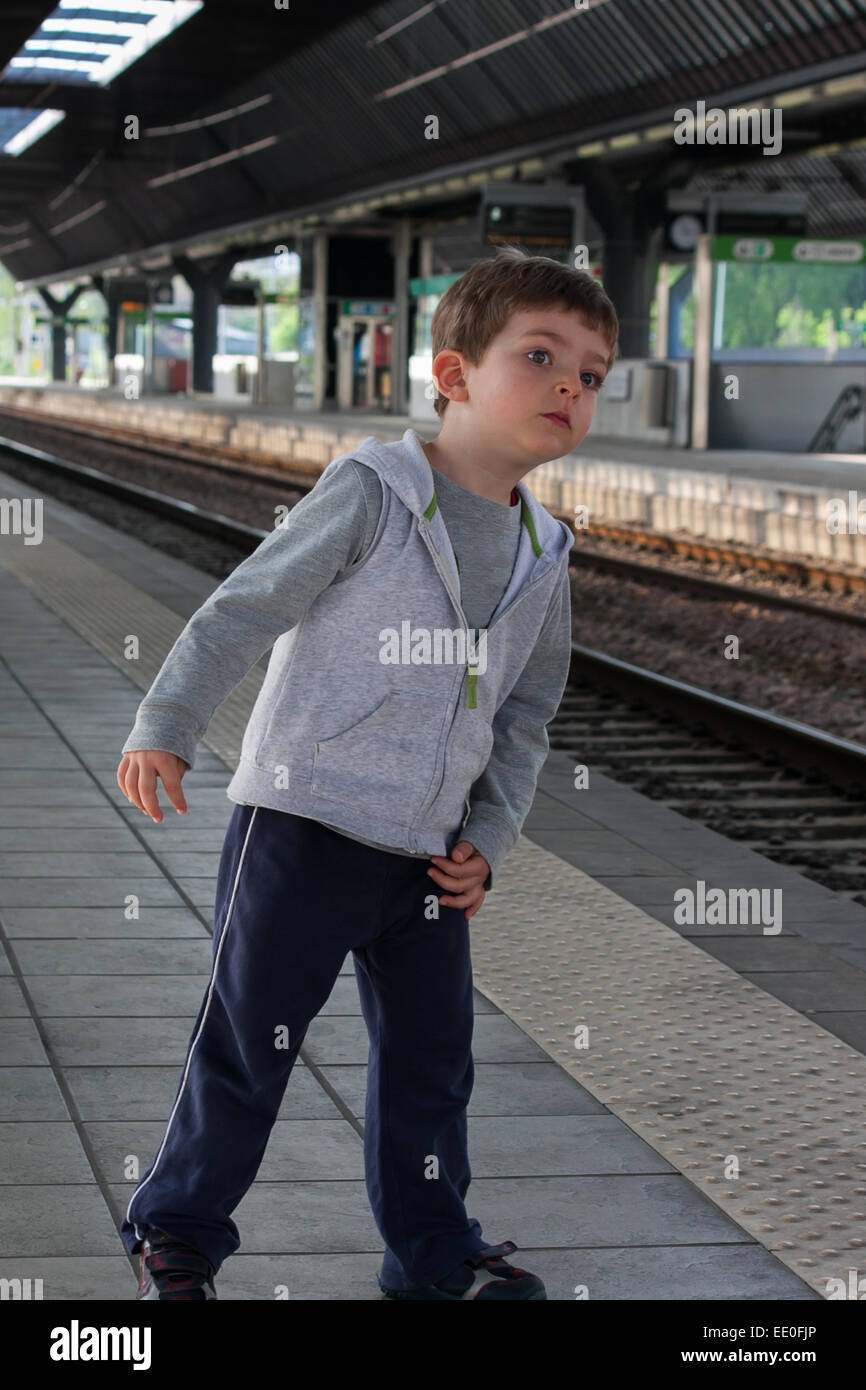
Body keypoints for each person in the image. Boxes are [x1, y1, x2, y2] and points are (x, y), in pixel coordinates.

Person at [116, 244, 619, 1301]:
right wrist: (166, 721)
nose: (569, 386)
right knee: (250, 1042)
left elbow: (527, 710)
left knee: (432, 1070)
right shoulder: (374, 492)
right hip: (304, 823)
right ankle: (178, 1229)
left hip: (430, 854)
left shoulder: (545, 550)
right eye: (540, 357)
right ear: (452, 377)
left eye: (590, 373)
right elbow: (242, 608)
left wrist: (492, 834)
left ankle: (434, 1253)